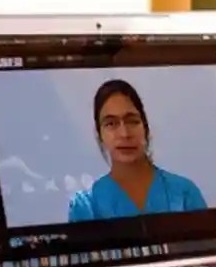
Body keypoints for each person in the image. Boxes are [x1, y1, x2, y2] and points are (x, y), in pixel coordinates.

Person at [68, 79, 207, 222]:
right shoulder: (86, 207)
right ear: (100, 135)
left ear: (145, 128)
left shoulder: (184, 193)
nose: (124, 133)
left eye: (132, 121)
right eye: (111, 124)